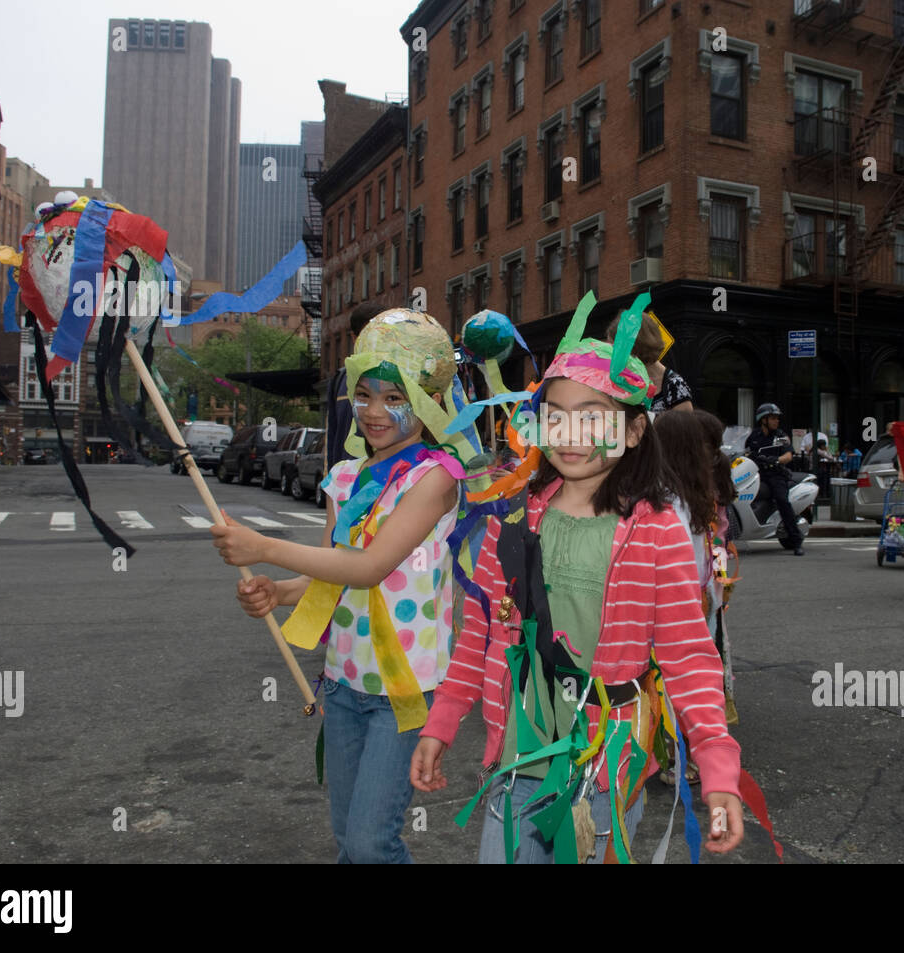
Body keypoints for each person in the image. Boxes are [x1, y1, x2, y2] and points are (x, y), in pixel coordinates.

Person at [410, 300, 744, 863]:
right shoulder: (512, 520)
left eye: (594, 416)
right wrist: (442, 721)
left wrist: (717, 768)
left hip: (606, 769)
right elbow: (482, 633)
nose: (571, 433)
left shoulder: (658, 531)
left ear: (637, 429)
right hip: (516, 762)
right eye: (557, 414)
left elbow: (689, 656)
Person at [213, 309, 475, 863]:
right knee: (347, 843)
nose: (375, 411)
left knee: (371, 843)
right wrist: (277, 592)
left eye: (394, 397)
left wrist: (264, 545)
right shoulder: (346, 477)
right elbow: (334, 570)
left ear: (426, 401)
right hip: (342, 683)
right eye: (364, 394)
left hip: (405, 691)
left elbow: (372, 566)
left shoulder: (435, 479)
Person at [654, 409, 740, 779]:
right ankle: (673, 755)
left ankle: (677, 751)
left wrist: (718, 584)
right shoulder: (668, 500)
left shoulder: (689, 493)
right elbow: (681, 558)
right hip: (678, 608)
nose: (713, 454)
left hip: (699, 600)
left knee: (686, 679)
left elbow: (711, 543)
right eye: (706, 446)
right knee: (679, 680)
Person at [325, 302, 386, 470]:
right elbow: (331, 440)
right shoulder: (339, 380)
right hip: (346, 486)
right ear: (355, 338)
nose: (378, 342)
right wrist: (330, 487)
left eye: (384, 335)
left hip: (391, 485)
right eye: (370, 336)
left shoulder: (402, 379)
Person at [744, 403, 805, 554]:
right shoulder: (754, 436)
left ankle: (796, 540)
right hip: (757, 475)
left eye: (777, 418)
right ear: (763, 420)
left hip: (776, 475)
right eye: (772, 418)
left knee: (782, 500)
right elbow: (745, 452)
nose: (776, 421)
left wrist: (776, 460)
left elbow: (788, 456)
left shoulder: (780, 436)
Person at [606, 310, 694, 412]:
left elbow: (685, 427)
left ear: (634, 345)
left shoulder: (675, 386)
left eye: (616, 348)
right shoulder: (623, 381)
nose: (613, 355)